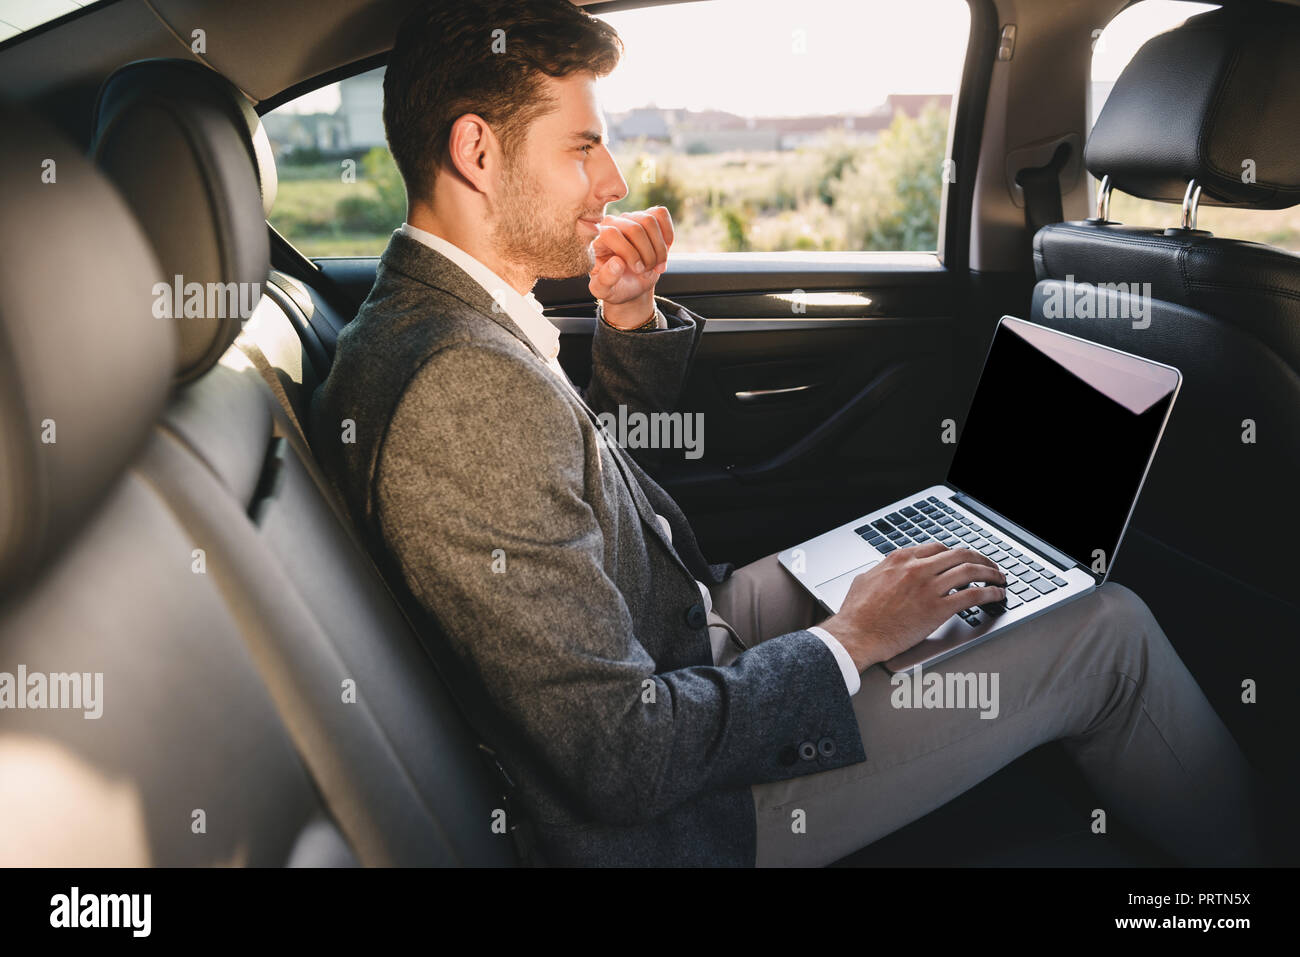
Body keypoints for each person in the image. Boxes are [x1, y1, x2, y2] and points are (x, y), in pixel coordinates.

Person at [310, 0, 1260, 866]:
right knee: (1106, 631)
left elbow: (580, 491)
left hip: (682, 631)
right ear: (477, 152)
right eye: (582, 146)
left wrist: (631, 319)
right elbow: (618, 757)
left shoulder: (436, 319)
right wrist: (851, 638)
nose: (614, 177)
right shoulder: (461, 384)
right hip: (681, 809)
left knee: (929, 551)